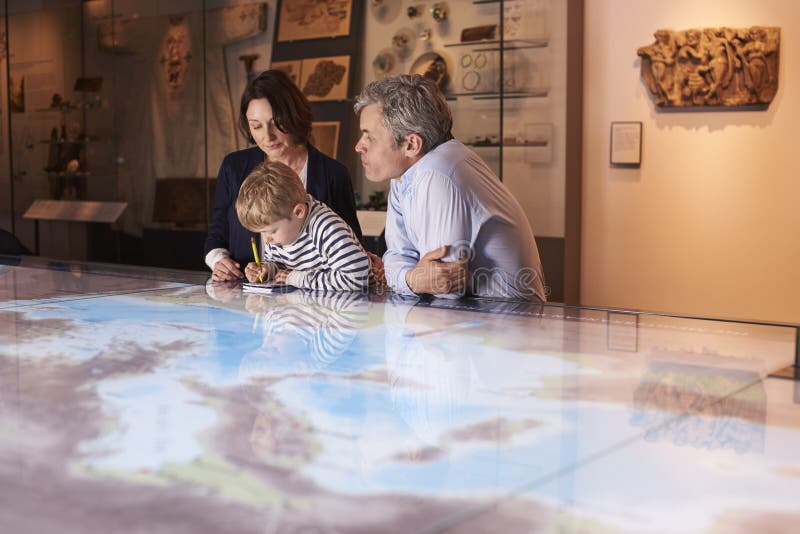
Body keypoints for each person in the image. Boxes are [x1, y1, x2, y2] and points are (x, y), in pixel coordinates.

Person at [353, 74, 546, 301]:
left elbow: (444, 286)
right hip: (473, 320)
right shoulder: (404, 174)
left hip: (506, 322)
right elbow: (396, 258)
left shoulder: (439, 174)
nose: (358, 147)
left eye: (370, 138)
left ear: (411, 144)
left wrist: (408, 277)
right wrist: (412, 278)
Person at [204, 69, 363, 281]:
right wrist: (218, 261)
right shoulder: (234, 167)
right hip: (244, 292)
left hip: (314, 300)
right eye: (256, 126)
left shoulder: (333, 174)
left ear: (293, 116)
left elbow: (351, 247)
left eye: (275, 123)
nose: (267, 136)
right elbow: (218, 232)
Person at [237, 160, 370, 292]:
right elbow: (281, 265)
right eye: (262, 232)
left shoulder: (326, 228)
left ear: (299, 212)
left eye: (271, 231)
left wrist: (298, 279)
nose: (267, 240)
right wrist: (266, 270)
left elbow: (357, 277)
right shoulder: (280, 233)